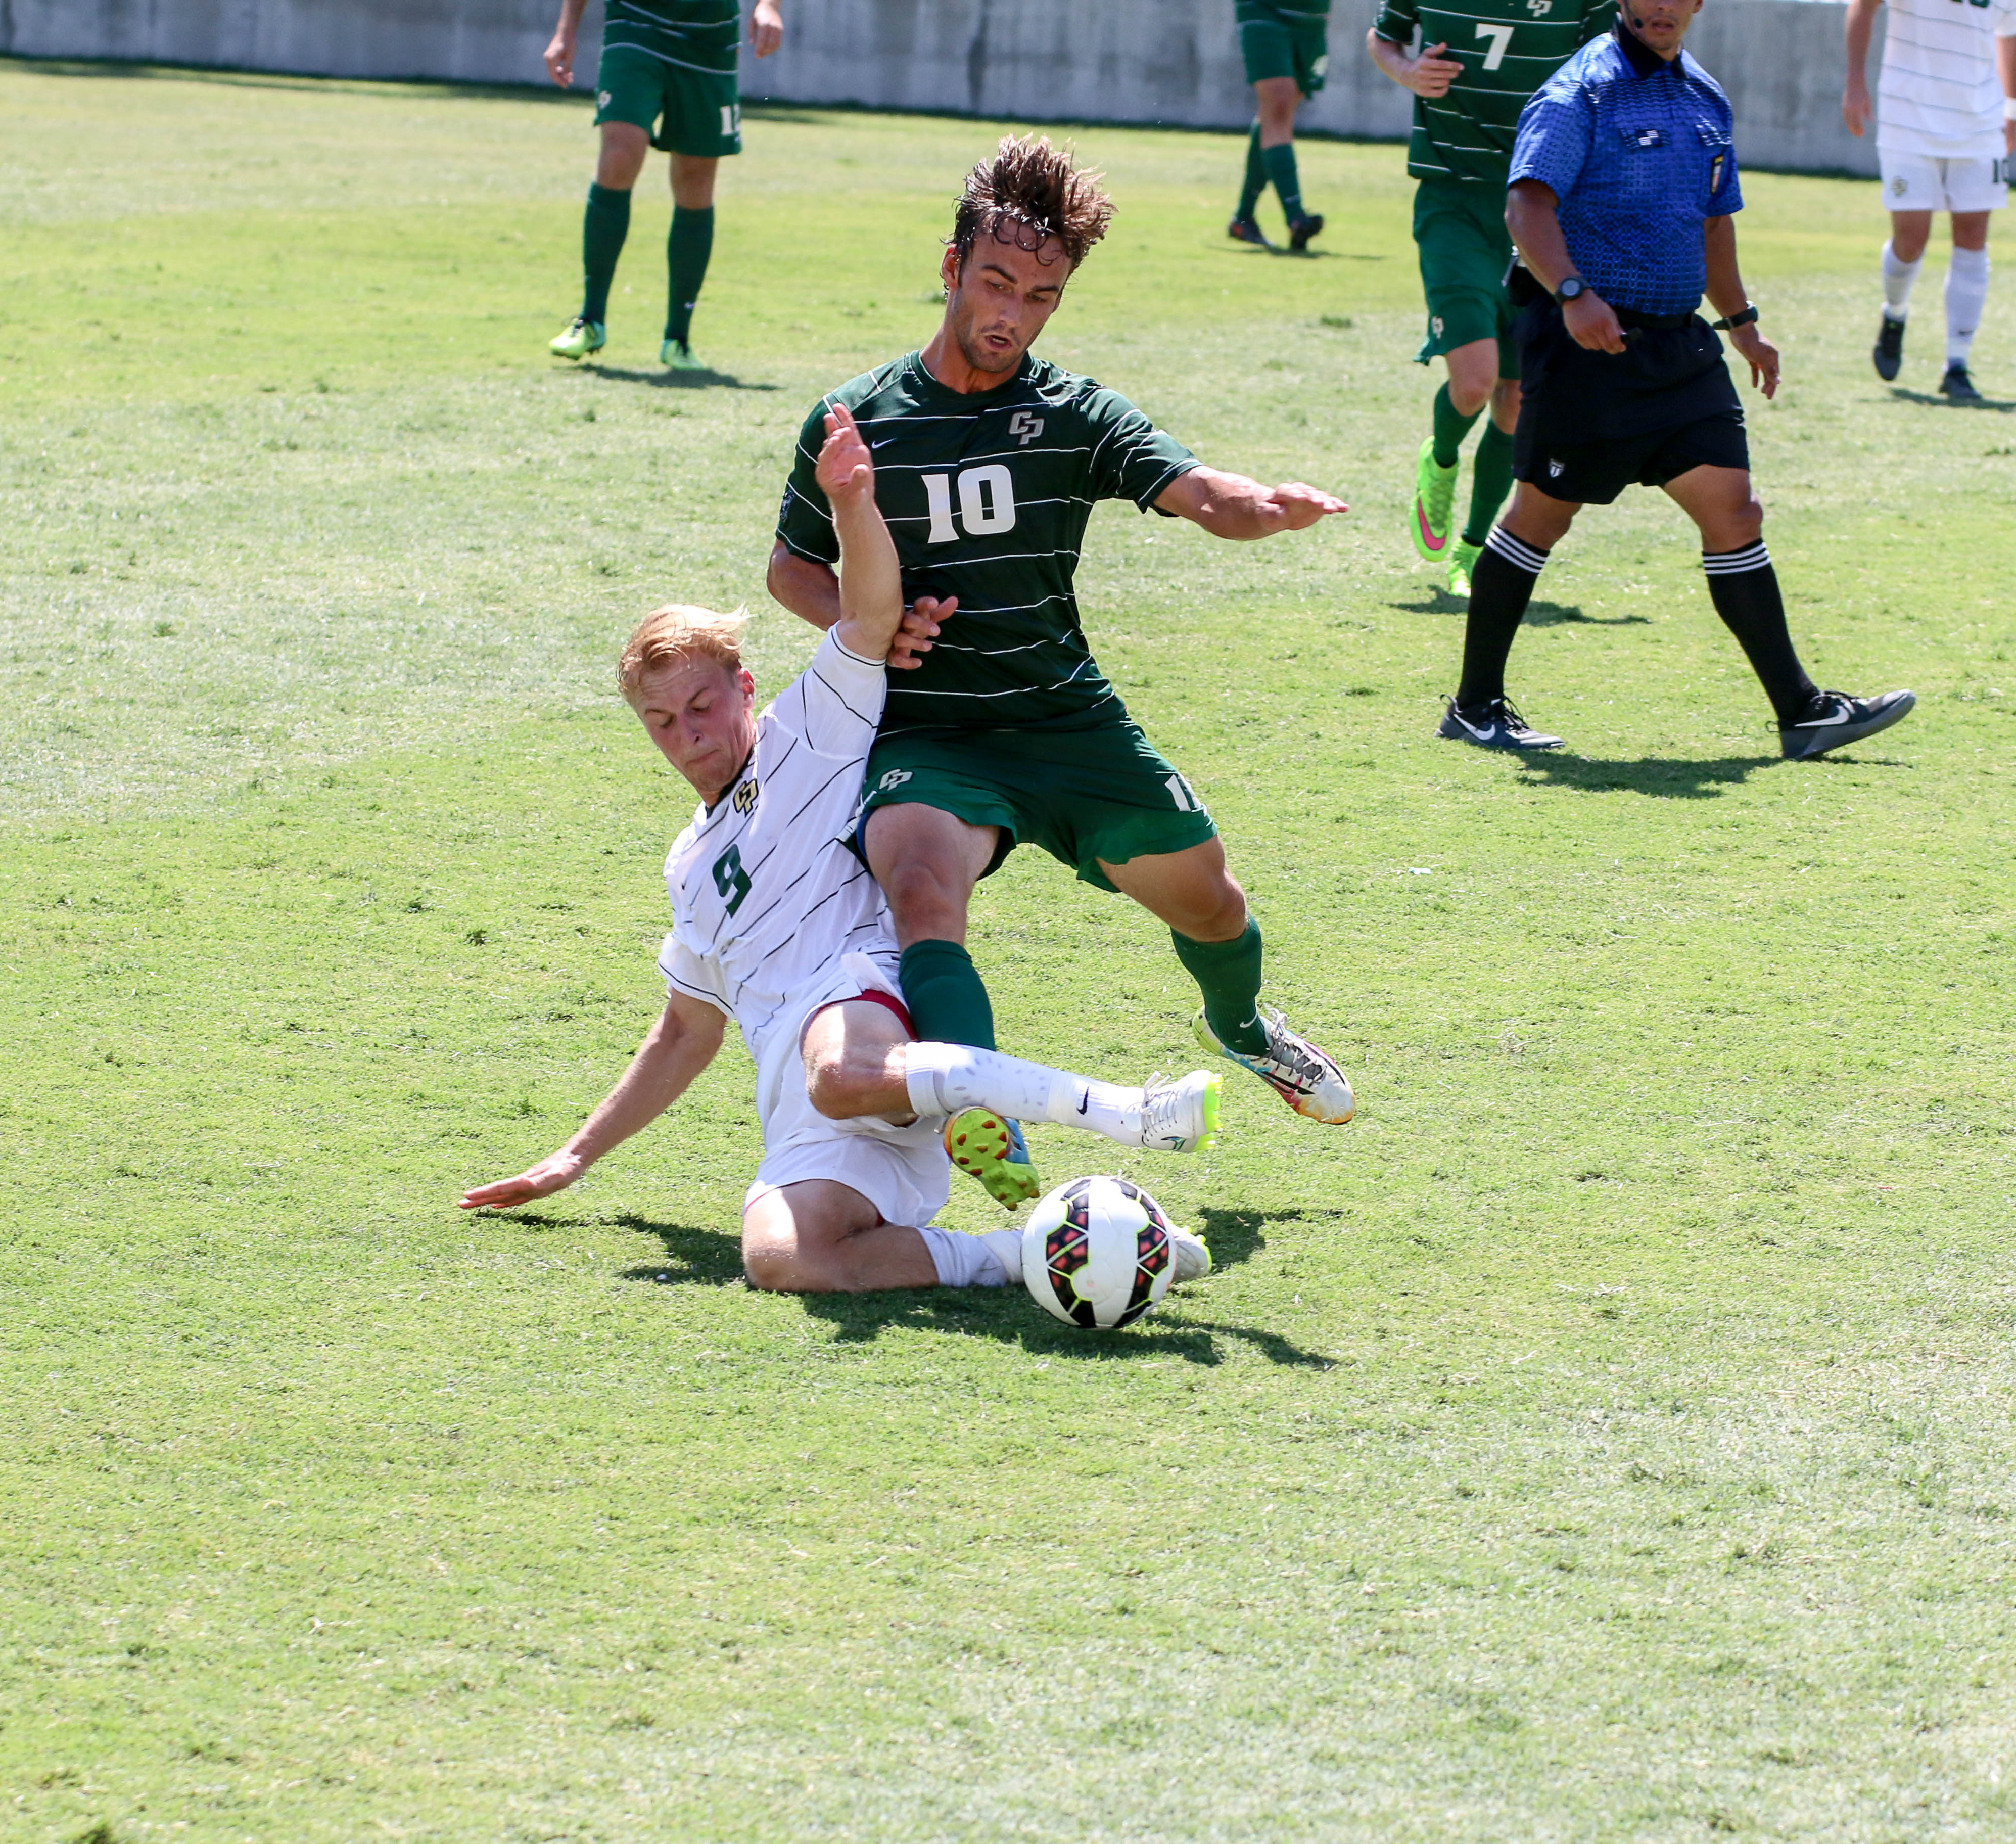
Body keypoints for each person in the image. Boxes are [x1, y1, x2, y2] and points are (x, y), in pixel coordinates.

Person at [462, 404, 1223, 1294]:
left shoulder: (807, 730)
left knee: (840, 1070)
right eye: (660, 720)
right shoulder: (687, 863)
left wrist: (852, 502)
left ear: (742, 687)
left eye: (701, 704)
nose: (687, 733)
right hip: (804, 1094)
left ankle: (1135, 1111)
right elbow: (684, 1030)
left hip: (861, 998)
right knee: (785, 1259)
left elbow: (869, 615)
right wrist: (572, 1157)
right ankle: (1061, 1253)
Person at [765, 136, 1356, 1185]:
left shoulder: (1074, 416)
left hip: (1062, 720)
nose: (1012, 313)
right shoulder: (859, 421)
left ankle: (1244, 1026)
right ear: (950, 269)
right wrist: (868, 631)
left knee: (1215, 904)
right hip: (927, 731)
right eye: (995, 283)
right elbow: (791, 571)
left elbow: (1203, 493)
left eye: (1041, 296)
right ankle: (985, 1107)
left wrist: (1267, 509)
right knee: (918, 884)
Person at [1442, 0, 1916, 761]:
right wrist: (1573, 295)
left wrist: (1743, 324)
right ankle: (1475, 706)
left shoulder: (1706, 98)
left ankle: (1803, 712)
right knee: (1540, 516)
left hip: (1680, 347)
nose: (1662, 7)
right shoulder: (1581, 90)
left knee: (1735, 509)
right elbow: (1526, 205)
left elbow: (1713, 224)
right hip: (1586, 343)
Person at [1371, 0, 1617, 599]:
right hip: (1454, 199)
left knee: (1514, 402)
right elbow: (1384, 39)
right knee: (1475, 384)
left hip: (1541, 202)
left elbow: (1609, 67)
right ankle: (1442, 460)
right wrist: (1404, 71)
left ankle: (1473, 551)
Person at [541, 0, 784, 372]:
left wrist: (768, 6)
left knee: (696, 180)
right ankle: (590, 321)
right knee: (620, 155)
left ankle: (678, 339)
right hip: (634, 27)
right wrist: (565, 31)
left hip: (709, 39)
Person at [1841, 0, 2016, 403]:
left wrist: (2012, 108)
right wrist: (1855, 81)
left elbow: (2014, 30)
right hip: (1906, 119)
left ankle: (1957, 365)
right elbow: (1863, 7)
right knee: (1911, 240)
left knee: (1973, 235)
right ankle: (1895, 314)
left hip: (1980, 123)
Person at [1230, 0, 1331, 252]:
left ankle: (1243, 220)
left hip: (1312, 15)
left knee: (1278, 111)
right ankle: (1296, 216)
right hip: (1264, 9)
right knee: (1279, 101)